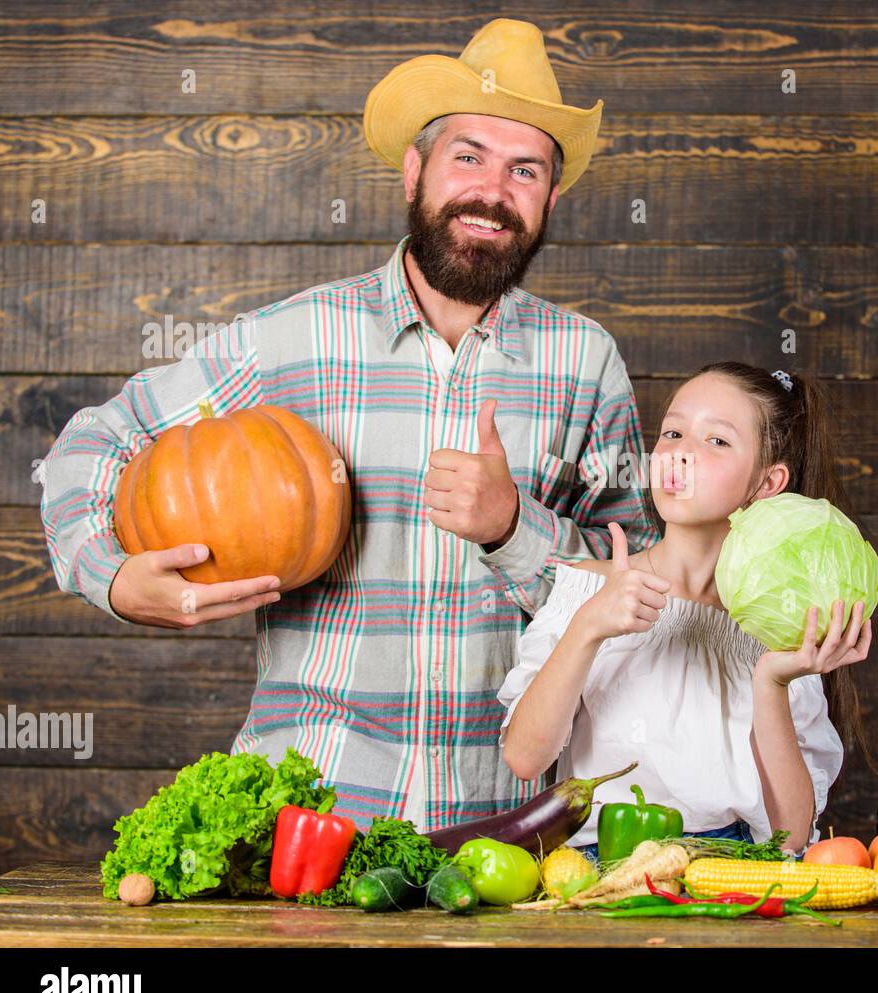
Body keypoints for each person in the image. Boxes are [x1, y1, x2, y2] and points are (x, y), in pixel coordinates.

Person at [38, 19, 660, 831]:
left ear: (547, 198)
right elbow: (87, 447)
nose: (492, 191)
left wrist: (515, 528)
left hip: (513, 826)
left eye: (525, 170)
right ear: (416, 170)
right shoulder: (289, 340)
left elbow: (643, 587)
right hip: (313, 812)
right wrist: (113, 578)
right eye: (467, 156)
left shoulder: (586, 363)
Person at [497, 363, 877, 860]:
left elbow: (793, 834)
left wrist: (772, 681)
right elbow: (525, 759)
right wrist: (589, 625)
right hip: (596, 866)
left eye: (716, 441)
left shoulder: (772, 632)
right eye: (673, 432)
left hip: (729, 875)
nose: (680, 452)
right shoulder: (592, 588)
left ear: (767, 482)